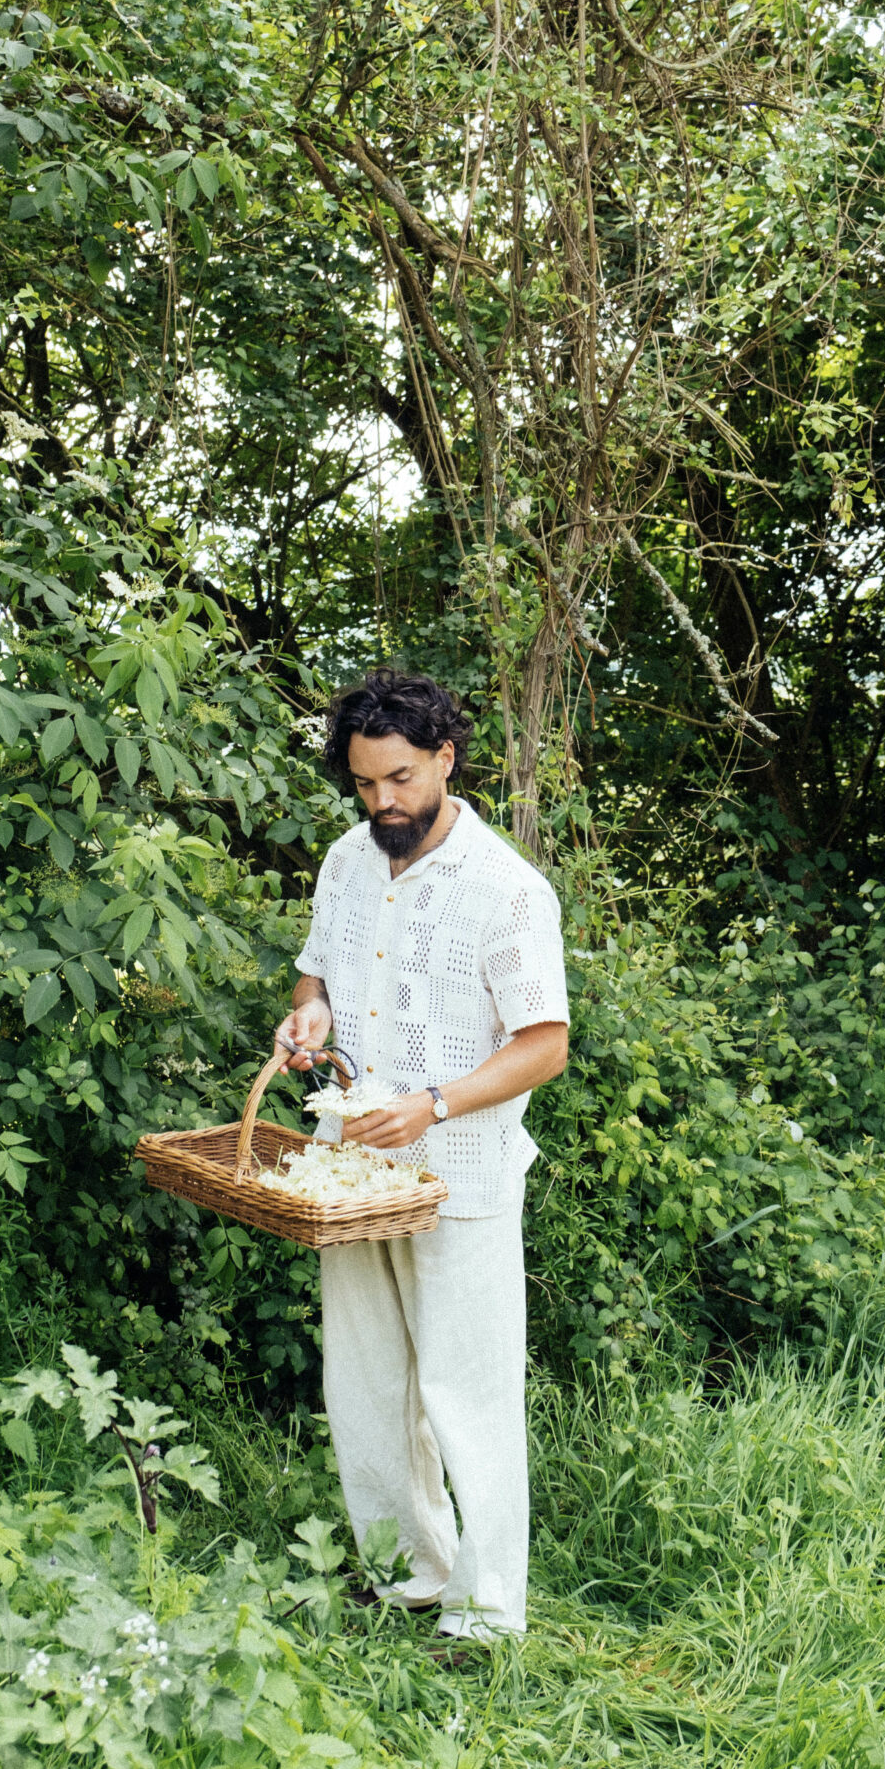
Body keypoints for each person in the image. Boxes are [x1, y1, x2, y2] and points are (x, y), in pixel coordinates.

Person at [274, 670, 569, 1652]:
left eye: (399, 779)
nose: (382, 804)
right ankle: (405, 1576)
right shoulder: (347, 860)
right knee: (362, 1385)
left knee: (466, 1394)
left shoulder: (508, 890)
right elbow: (320, 968)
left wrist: (432, 1104)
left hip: (462, 1173)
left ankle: (485, 1617)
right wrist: (310, 1009)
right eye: (364, 785)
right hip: (347, 1169)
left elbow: (544, 1042)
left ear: (446, 757)